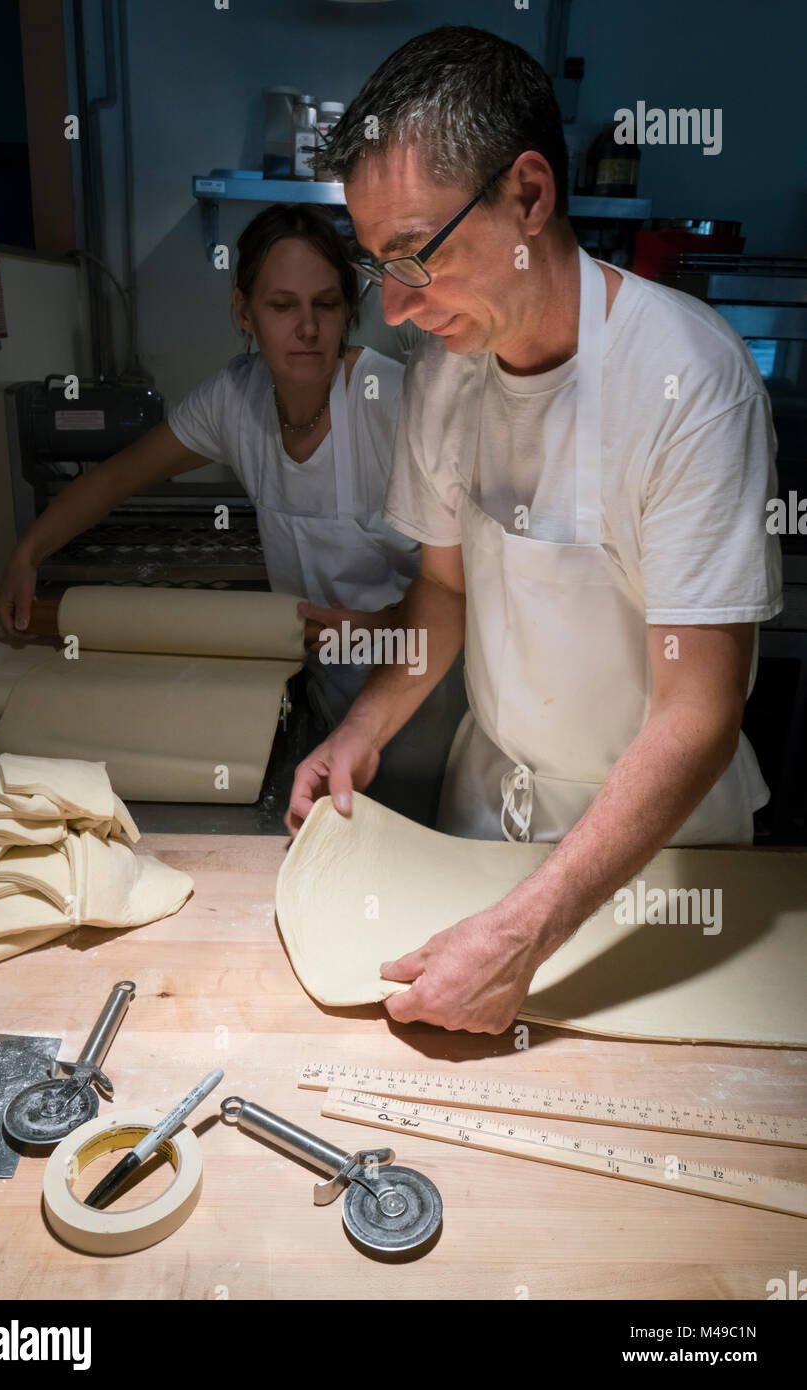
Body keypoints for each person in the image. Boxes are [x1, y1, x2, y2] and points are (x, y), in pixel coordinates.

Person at [286, 27, 783, 1033]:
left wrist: (525, 933)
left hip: (660, 858)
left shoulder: (687, 381)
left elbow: (699, 710)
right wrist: (362, 728)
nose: (398, 306)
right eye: (379, 264)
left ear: (528, 195)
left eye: (420, 255)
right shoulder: (443, 379)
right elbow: (445, 592)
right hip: (486, 828)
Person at [0, 203, 464, 822]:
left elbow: (461, 575)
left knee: (409, 850)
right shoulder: (234, 401)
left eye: (326, 305)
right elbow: (117, 477)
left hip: (420, 690)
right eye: (281, 305)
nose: (308, 328)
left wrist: (384, 624)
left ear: (349, 310)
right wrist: (29, 552)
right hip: (326, 684)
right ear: (243, 311)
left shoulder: (387, 403)